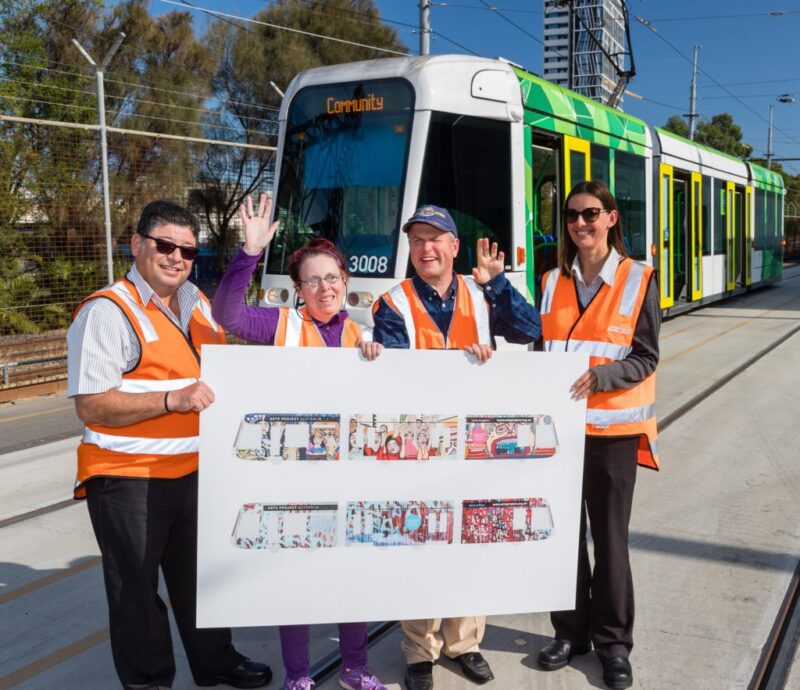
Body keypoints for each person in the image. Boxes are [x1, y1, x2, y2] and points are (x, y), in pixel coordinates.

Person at [67, 200, 272, 689]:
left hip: (194, 472)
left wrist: (250, 251)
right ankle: (150, 680)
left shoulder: (197, 302)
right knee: (136, 591)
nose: (176, 257)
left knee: (199, 578)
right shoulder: (107, 312)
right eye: (165, 245)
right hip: (128, 476)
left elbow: (231, 352)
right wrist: (171, 399)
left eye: (187, 249)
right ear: (137, 244)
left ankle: (216, 661)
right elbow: (92, 405)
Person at [211, 193, 385, 690]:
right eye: (313, 280)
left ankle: (356, 668)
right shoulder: (281, 324)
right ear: (298, 289)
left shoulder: (364, 334)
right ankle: (299, 676)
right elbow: (229, 315)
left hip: (350, 475)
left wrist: (381, 357)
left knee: (350, 576)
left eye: (332, 277)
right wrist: (248, 254)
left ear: (345, 282)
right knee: (297, 577)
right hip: (293, 474)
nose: (325, 287)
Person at [371, 204, 542, 690]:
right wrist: (458, 364)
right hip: (417, 449)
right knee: (419, 543)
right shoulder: (393, 303)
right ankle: (420, 648)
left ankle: (465, 643)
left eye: (435, 238)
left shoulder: (481, 293)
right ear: (411, 248)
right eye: (417, 239)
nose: (426, 248)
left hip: (474, 447)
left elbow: (531, 330)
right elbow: (399, 379)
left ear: (453, 247)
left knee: (470, 541)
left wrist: (498, 285)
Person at [536, 180, 660, 690]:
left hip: (613, 433)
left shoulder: (637, 279)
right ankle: (570, 633)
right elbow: (535, 344)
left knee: (609, 544)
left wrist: (602, 378)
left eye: (590, 214)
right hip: (561, 434)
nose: (580, 223)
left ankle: (613, 645)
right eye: (571, 216)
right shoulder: (550, 281)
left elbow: (646, 356)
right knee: (563, 540)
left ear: (611, 218)